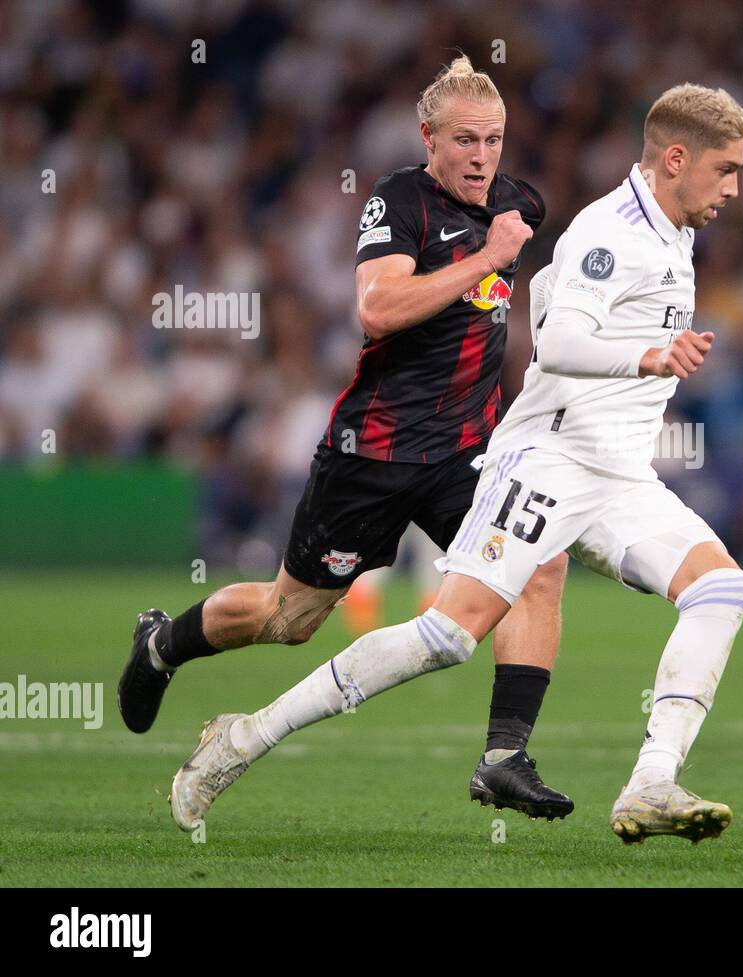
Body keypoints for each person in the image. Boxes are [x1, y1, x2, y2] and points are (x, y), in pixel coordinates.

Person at [168, 82, 743, 845]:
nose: (735, 188)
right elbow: (562, 343)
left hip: (618, 474)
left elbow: (546, 293)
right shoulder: (614, 233)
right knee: (447, 636)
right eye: (726, 169)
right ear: (676, 159)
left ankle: (650, 782)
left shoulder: (669, 228)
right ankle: (243, 737)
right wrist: (648, 355)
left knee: (721, 587)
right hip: (547, 460)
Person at [118, 56, 572, 818]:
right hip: (376, 452)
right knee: (290, 618)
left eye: (493, 140)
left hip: (466, 451)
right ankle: (164, 642)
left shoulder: (520, 203)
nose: (482, 156)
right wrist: (486, 259)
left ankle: (504, 756)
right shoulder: (400, 202)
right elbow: (378, 308)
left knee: (538, 565)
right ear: (429, 137)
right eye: (465, 140)